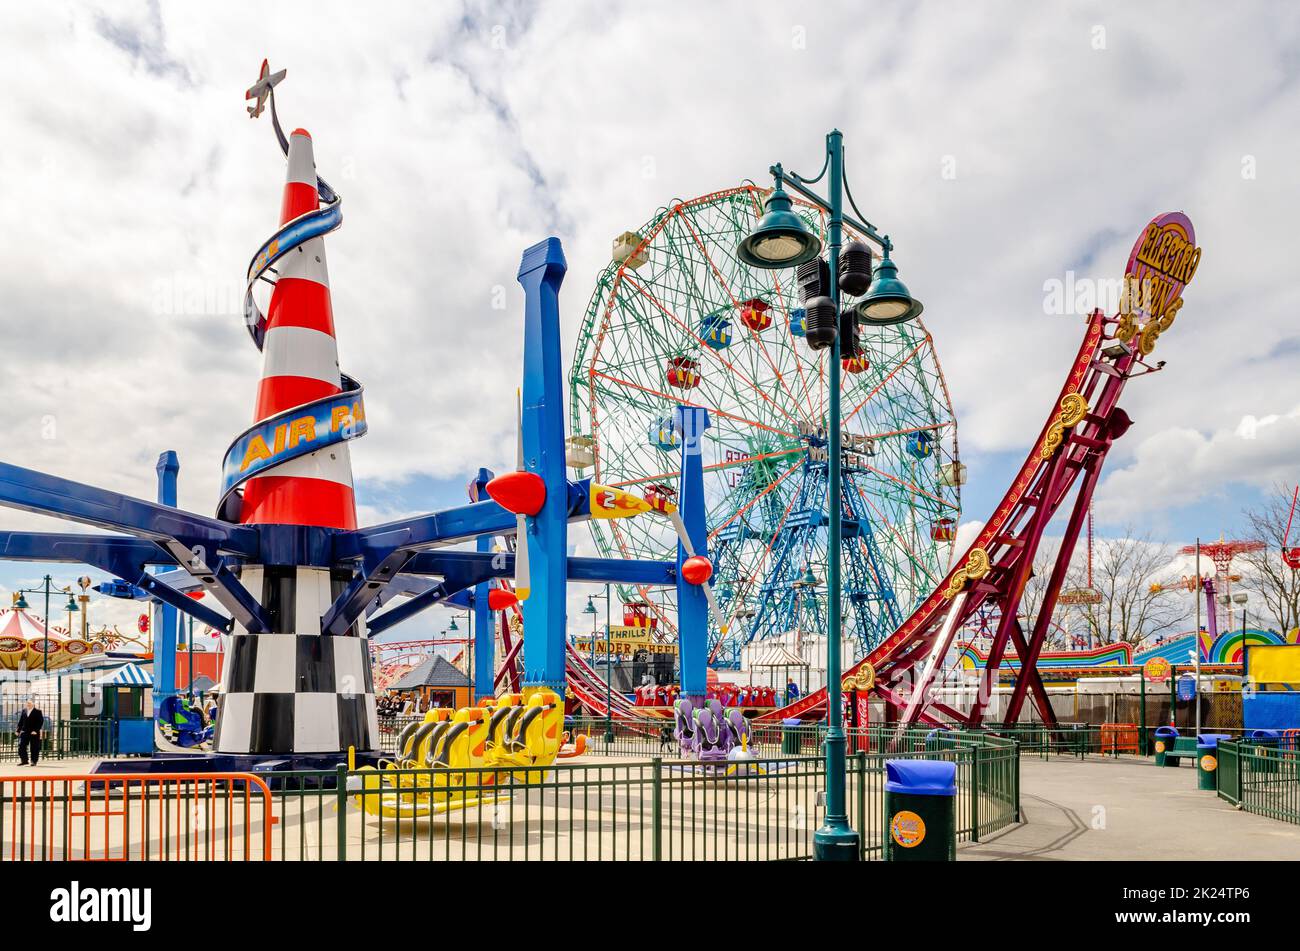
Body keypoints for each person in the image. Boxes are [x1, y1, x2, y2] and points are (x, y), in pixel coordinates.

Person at [16, 698, 44, 767]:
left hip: (34, 732)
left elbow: (40, 722)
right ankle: (24, 760)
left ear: (33, 704)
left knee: (34, 747)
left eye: (30, 703)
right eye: (27, 703)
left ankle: (34, 761)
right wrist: (18, 730)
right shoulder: (24, 711)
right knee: (21, 746)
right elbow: (21, 721)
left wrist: (36, 730)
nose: (28, 704)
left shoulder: (38, 711)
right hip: (25, 731)